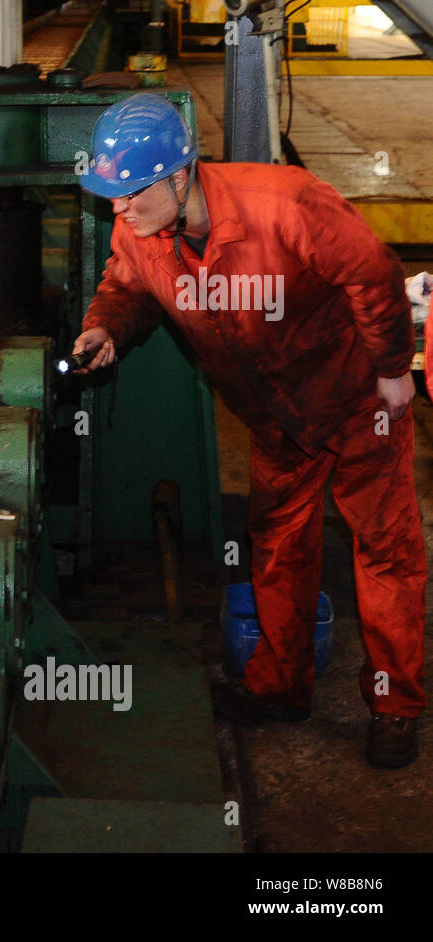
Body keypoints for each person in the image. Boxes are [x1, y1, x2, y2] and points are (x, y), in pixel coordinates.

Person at [72, 93, 426, 768]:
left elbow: (372, 270)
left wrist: (390, 370)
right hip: (275, 420)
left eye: (130, 193)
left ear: (180, 176)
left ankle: (395, 706)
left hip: (355, 403)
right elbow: (127, 287)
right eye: (109, 195)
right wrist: (105, 327)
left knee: (385, 552)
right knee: (277, 547)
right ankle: (280, 686)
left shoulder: (285, 204)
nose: (118, 209)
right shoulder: (140, 231)